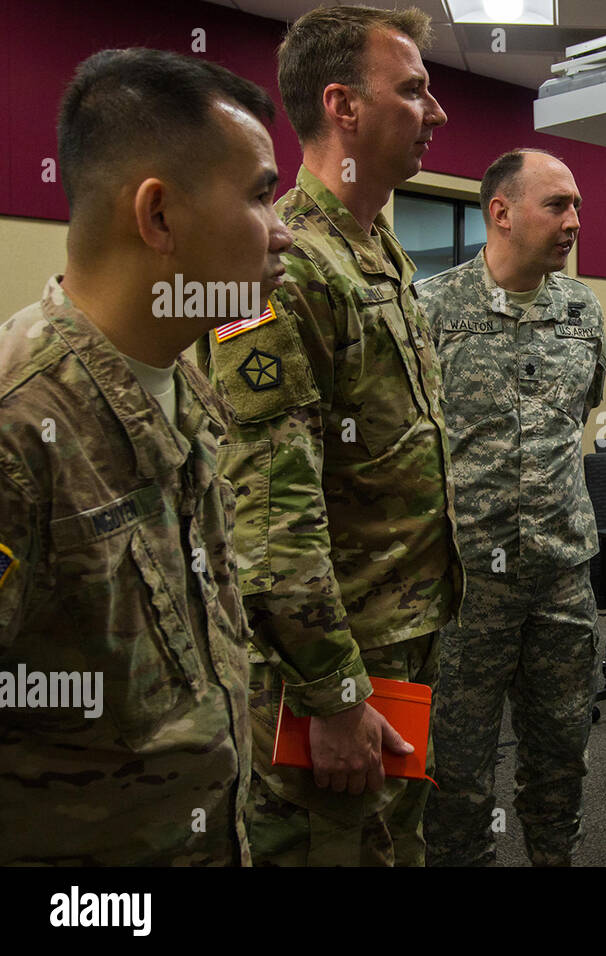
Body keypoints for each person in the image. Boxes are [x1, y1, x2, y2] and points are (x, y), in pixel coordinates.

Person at [0, 48, 291, 864]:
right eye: (262, 195)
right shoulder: (21, 431)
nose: (283, 232)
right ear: (158, 217)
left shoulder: (188, 390)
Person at [199, 5, 462, 866]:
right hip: (330, 674)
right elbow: (273, 524)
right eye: (415, 89)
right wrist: (336, 696)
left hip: (397, 645)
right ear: (343, 106)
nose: (437, 113)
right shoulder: (285, 267)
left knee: (395, 845)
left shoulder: (378, 251)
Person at [415, 148, 606, 866]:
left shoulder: (583, 309)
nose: (574, 222)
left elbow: (577, 415)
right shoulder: (432, 310)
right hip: (467, 585)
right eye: (557, 205)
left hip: (562, 576)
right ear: (500, 211)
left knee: (562, 756)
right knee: (457, 771)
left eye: (577, 207)